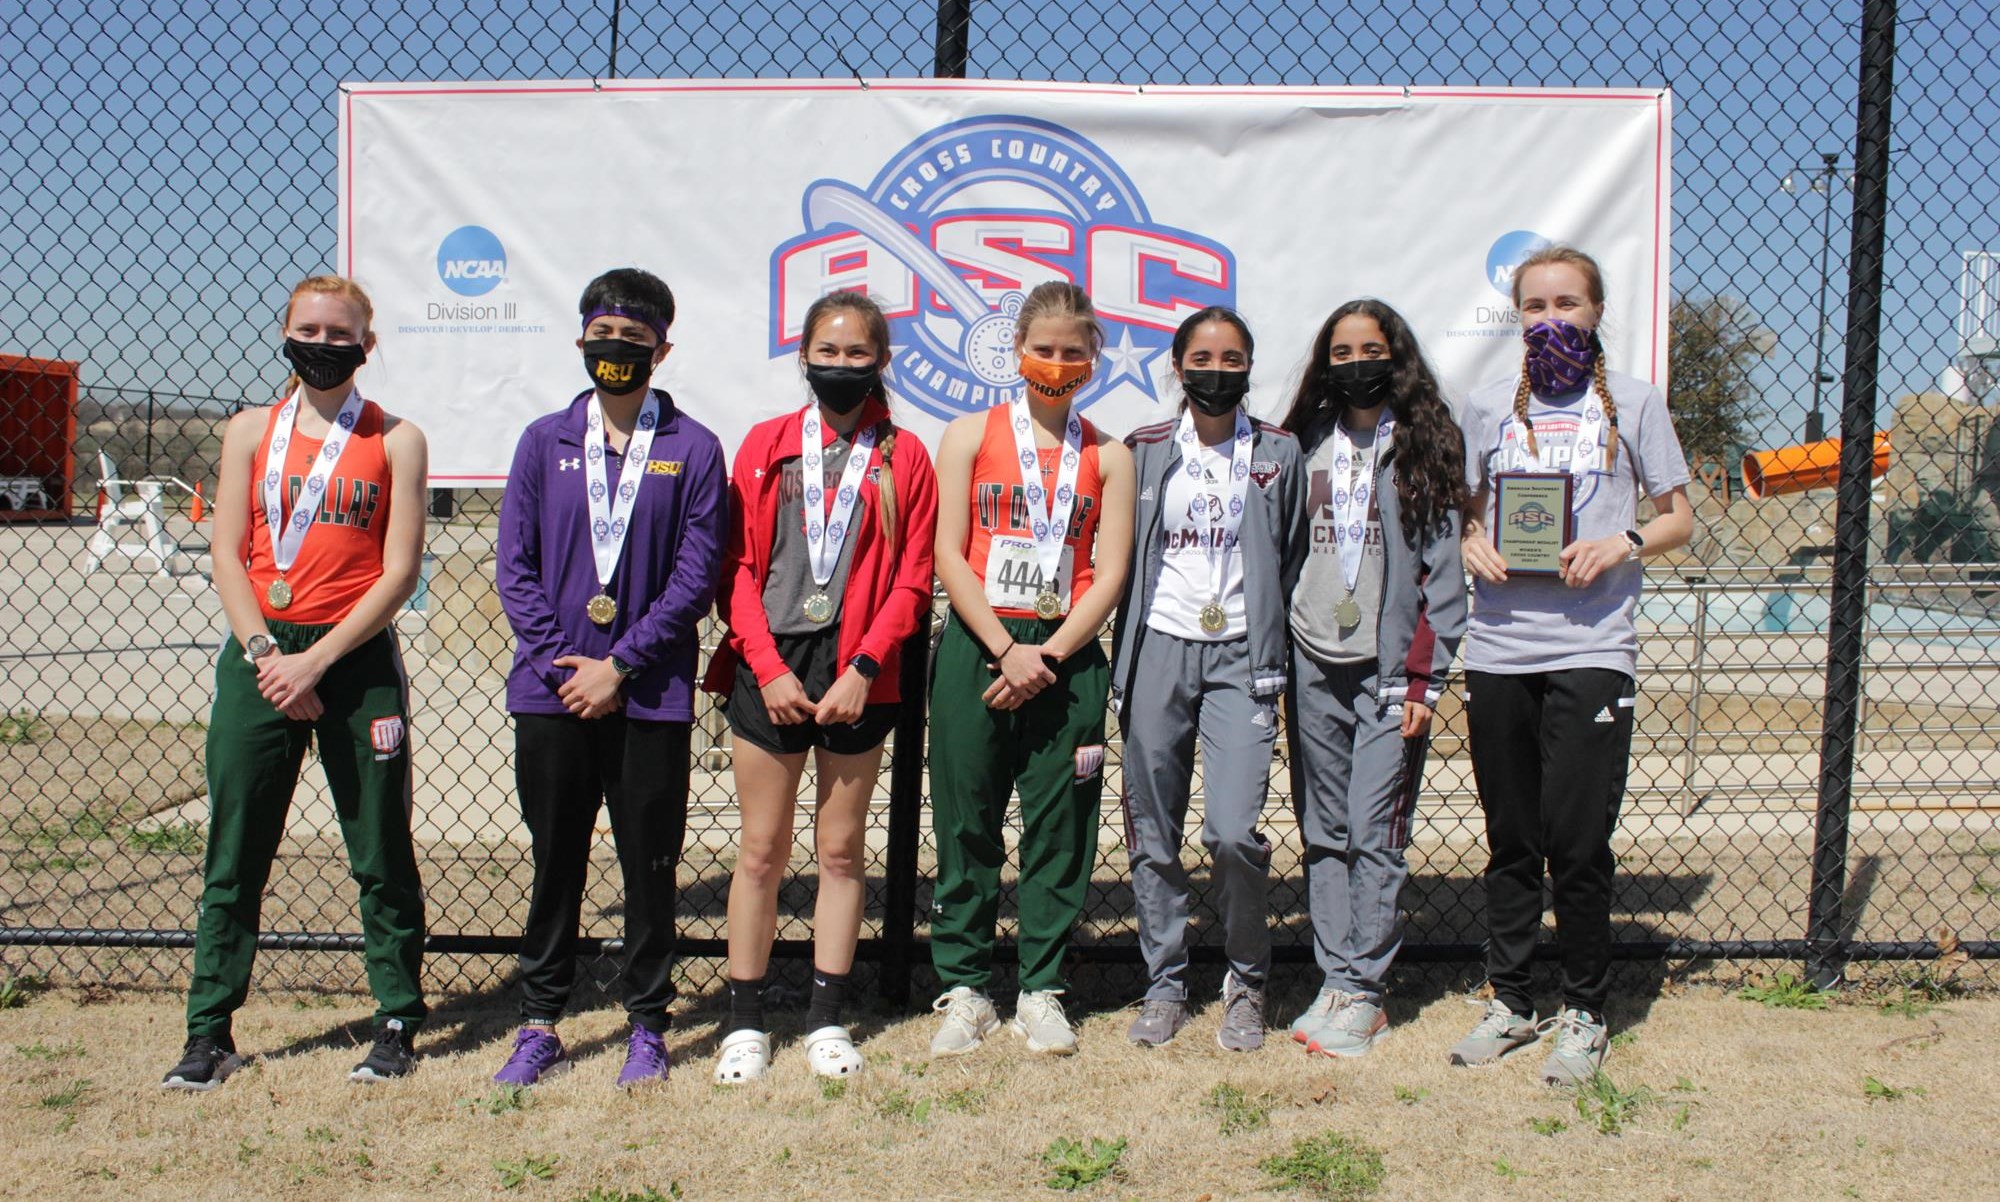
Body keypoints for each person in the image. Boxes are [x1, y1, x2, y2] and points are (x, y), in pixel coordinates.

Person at [162, 275, 430, 1090]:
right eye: (308, 329)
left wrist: (317, 662)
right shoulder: (250, 430)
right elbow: (226, 550)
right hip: (258, 660)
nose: (323, 343)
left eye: (339, 333)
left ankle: (395, 1020)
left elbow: (400, 571)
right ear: (285, 335)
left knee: (380, 848)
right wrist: (266, 653)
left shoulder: (396, 438)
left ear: (366, 346)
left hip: (356, 662)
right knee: (236, 850)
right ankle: (209, 1030)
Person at [1449, 246, 1691, 1084]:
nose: (1550, 318)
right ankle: (1513, 1000)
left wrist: (1621, 541)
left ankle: (1584, 1008)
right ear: (1515, 317)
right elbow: (1463, 515)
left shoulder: (1634, 402)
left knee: (1579, 843)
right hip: (1501, 649)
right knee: (1512, 839)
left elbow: (1678, 519)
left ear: (1596, 312)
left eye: (1567, 303)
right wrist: (1472, 542)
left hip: (1593, 649)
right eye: (1534, 305)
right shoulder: (1486, 407)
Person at [490, 267, 727, 1088]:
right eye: (603, 336)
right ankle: (540, 1021)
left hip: (649, 693)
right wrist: (568, 665)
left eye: (633, 340)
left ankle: (648, 1024)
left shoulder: (693, 448)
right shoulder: (542, 441)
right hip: (552, 691)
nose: (615, 351)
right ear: (581, 340)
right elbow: (514, 569)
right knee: (556, 858)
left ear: (663, 349)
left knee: (649, 865)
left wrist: (620, 663)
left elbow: (696, 576)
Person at [704, 291, 938, 1083]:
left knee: (840, 851)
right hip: (770, 663)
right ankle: (744, 1020)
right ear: (804, 358)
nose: (841, 367)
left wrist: (865, 669)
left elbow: (913, 578)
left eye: (857, 354)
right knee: (762, 850)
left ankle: (826, 1019)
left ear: (882, 361)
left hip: (857, 673)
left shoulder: (905, 455)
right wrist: (764, 666)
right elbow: (734, 568)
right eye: (827, 353)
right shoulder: (767, 443)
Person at [927, 281, 1135, 1057]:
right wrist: (1005, 650)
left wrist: (1044, 654)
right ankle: (968, 988)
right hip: (977, 649)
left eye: (1072, 351)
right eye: (1043, 348)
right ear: (1017, 352)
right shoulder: (967, 435)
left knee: (1060, 828)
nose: (1056, 362)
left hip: (1067, 657)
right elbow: (949, 551)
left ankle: (1042, 988)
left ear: (1093, 359)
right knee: (966, 823)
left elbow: (1108, 573)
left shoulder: (1109, 456)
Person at [1277, 299, 1469, 1058]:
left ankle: (1365, 987)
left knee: (1374, 830)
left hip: (1388, 674)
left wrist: (1423, 677)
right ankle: (1336, 977)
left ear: (1396, 356)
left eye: (1372, 347)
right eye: (1343, 349)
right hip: (1311, 658)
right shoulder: (1304, 441)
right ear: (1327, 363)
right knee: (1323, 831)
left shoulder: (1423, 444)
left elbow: (1442, 573)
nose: (1357, 361)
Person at [1110, 306, 1304, 1051]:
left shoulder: (1278, 454)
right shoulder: (1145, 448)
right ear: (1177, 364)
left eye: (1231, 360)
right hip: (1159, 646)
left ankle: (1246, 982)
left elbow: (1286, 556)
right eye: (1202, 359)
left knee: (1231, 833)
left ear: (1249, 367)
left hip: (1241, 660)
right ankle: (1164, 984)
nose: (1216, 373)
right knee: (1152, 832)